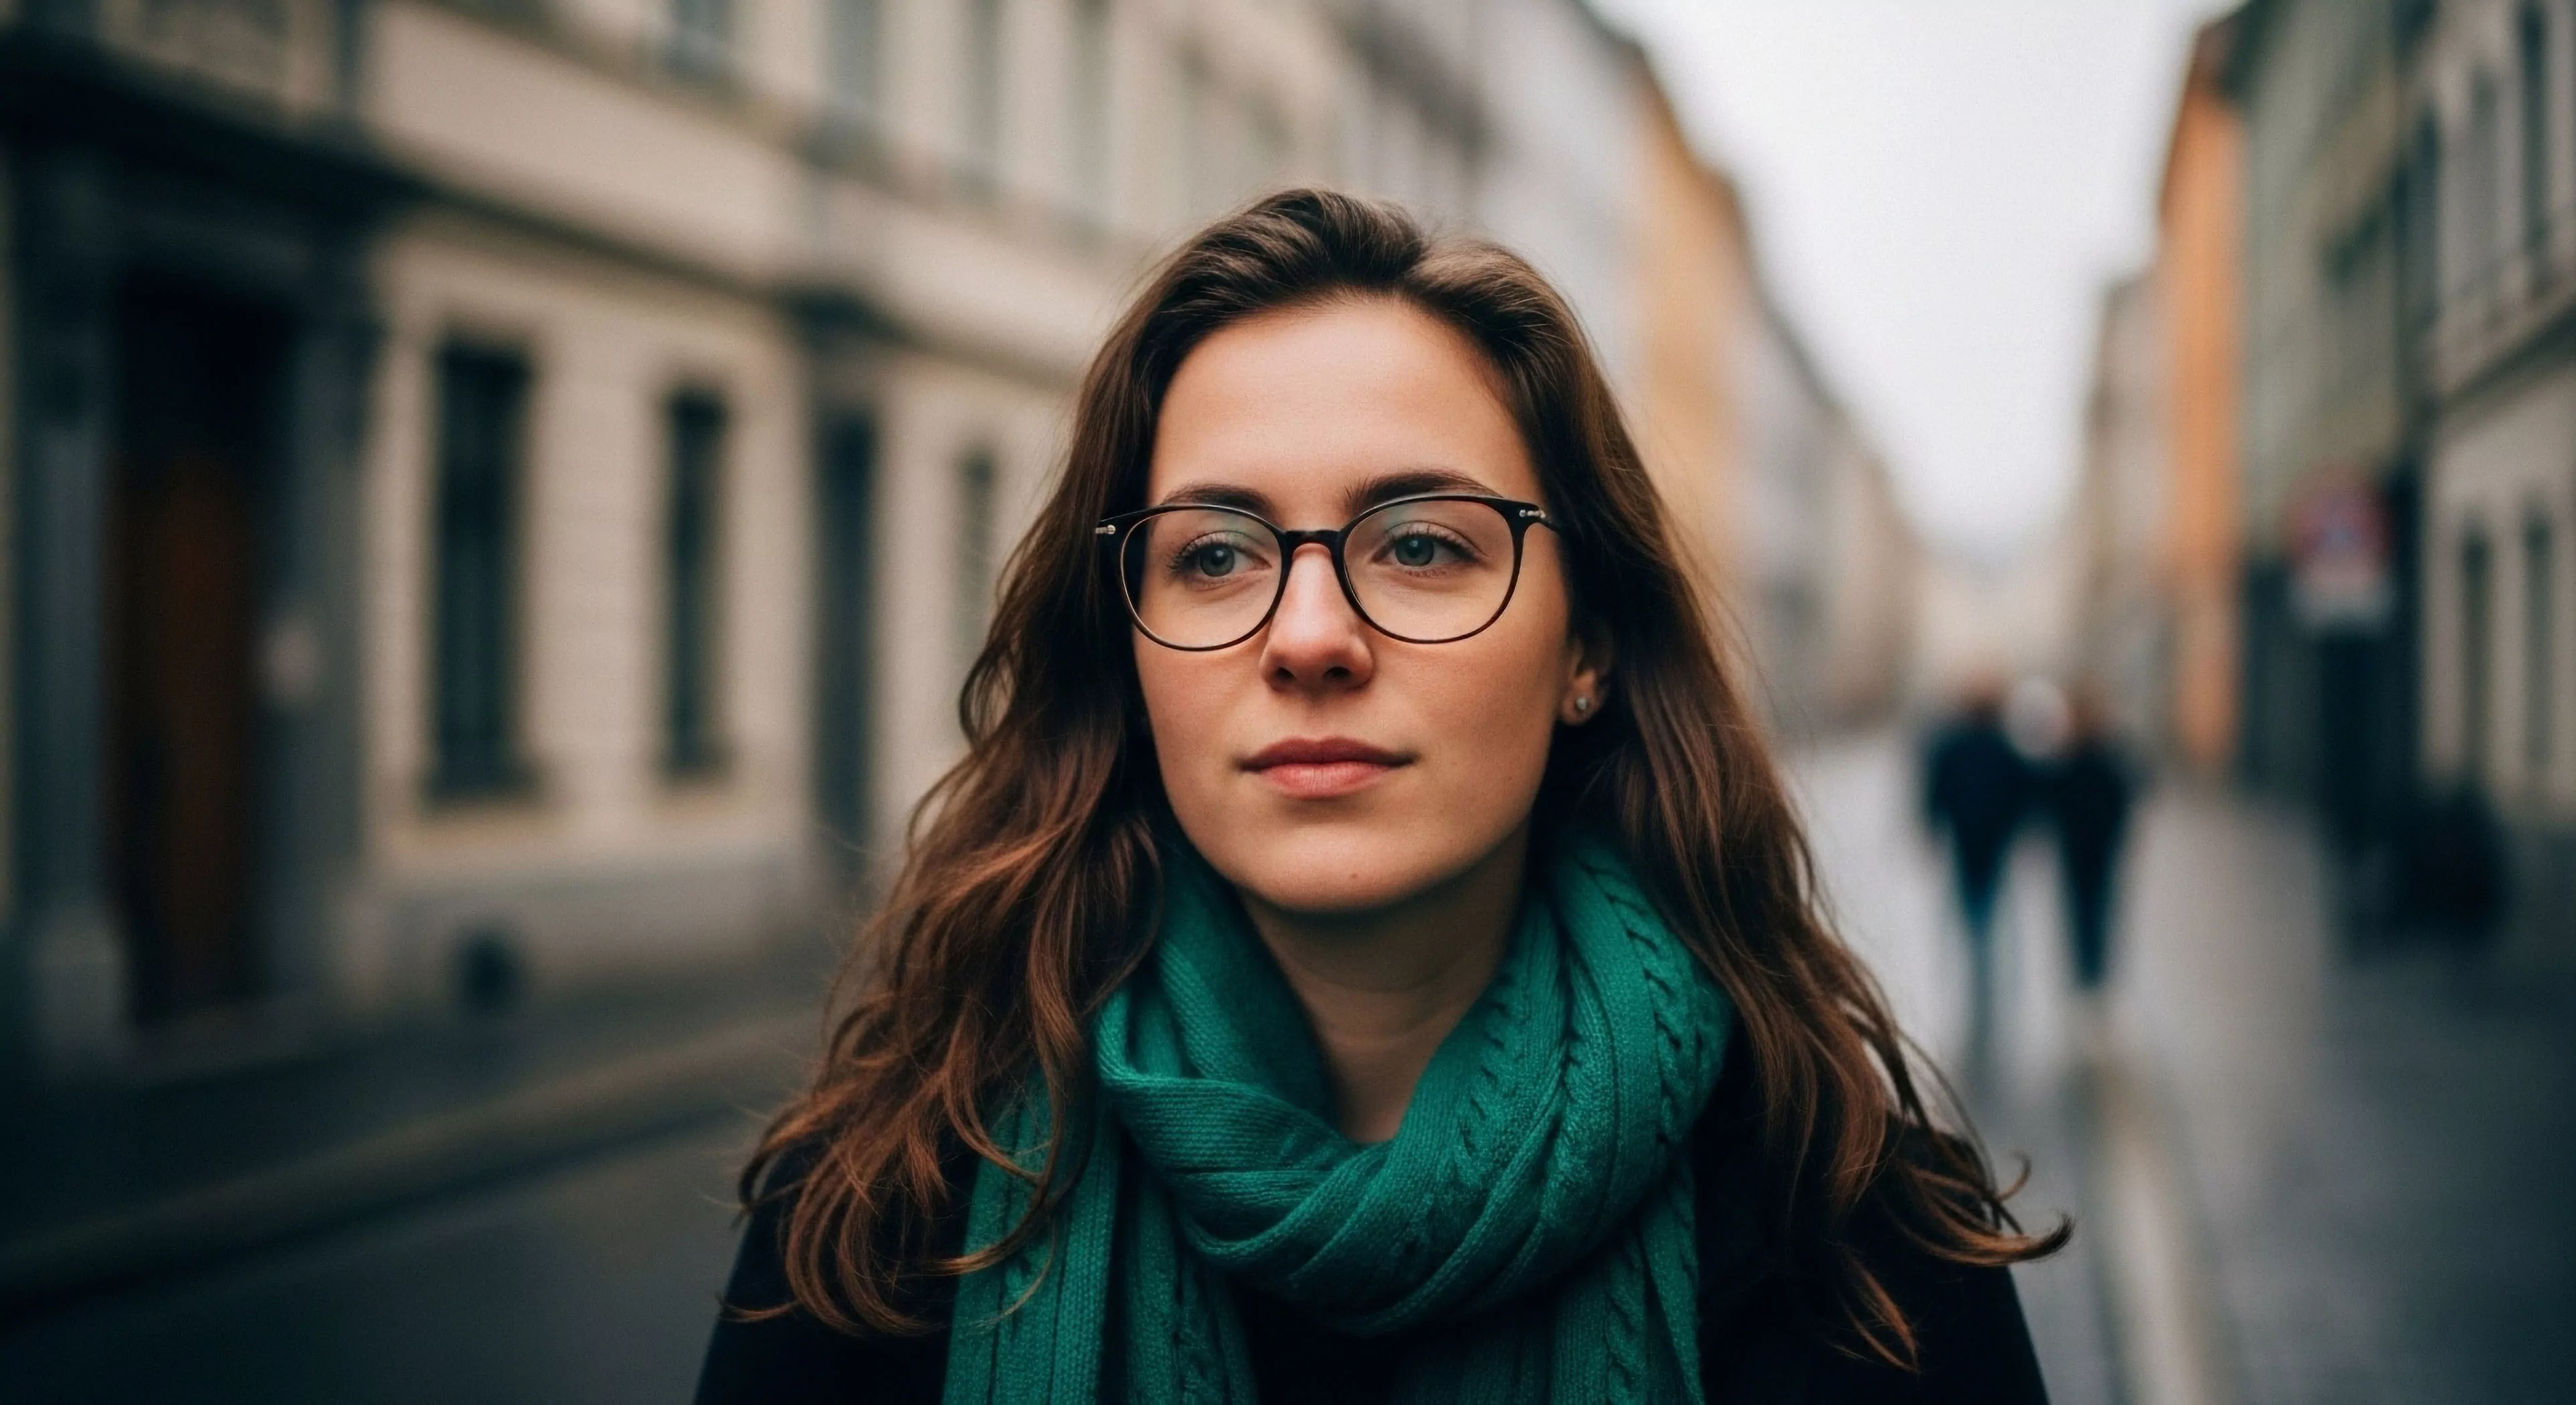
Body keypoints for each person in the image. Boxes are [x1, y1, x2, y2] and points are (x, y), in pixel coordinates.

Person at [696, 191, 2059, 1405]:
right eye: (1215, 554)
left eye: (1416, 545)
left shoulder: (1869, 1264)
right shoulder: (877, 1233)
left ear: (1585, 646)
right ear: (1127, 650)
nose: (1305, 636)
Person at [1920, 682, 2035, 1076]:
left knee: (1969, 903)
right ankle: (1983, 961)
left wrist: (1932, 827)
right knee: (1988, 904)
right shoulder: (2006, 745)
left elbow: (1935, 788)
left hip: (1966, 840)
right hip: (1994, 842)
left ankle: (1973, 953)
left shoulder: (1953, 745)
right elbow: (2023, 794)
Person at [2039, 690, 2134, 1004]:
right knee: (2088, 922)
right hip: (2086, 855)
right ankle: (2088, 986)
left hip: (2091, 855)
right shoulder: (2080, 758)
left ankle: (2090, 986)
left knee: (2090, 922)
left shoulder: (2087, 759)